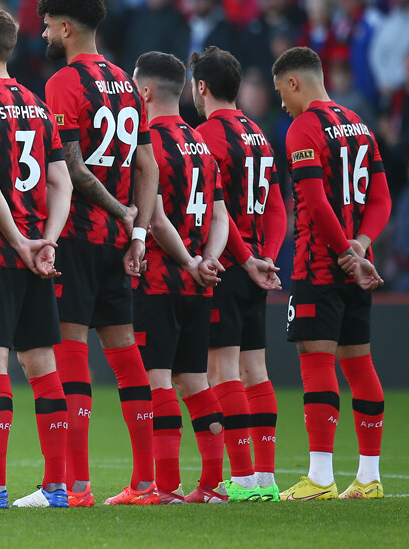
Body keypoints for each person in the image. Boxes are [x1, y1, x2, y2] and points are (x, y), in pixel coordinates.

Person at [39, 0, 160, 507]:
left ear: (66, 28)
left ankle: (77, 485)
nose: (44, 35)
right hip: (117, 242)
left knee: (70, 354)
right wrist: (137, 231)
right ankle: (145, 482)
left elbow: (72, 167)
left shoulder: (64, 82)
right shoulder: (126, 84)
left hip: (77, 234)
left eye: (48, 26)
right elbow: (147, 165)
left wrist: (120, 212)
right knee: (125, 355)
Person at [0, 11, 73, 509]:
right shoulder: (37, 104)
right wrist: (47, 241)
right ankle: (56, 487)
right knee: (42, 365)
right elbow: (62, 182)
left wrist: (20, 242)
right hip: (37, 253)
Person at [271, 46, 391, 501]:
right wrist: (361, 246)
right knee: (360, 364)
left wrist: (344, 251)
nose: (283, 103)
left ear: (295, 82)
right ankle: (369, 478)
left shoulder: (303, 128)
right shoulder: (359, 125)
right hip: (358, 266)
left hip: (321, 265)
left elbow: (317, 202)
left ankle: (320, 477)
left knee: (315, 359)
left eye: (282, 92)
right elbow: (381, 198)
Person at [131, 51, 231, 504]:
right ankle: (212, 485)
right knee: (194, 381)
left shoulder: (148, 141)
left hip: (160, 277)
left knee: (157, 381)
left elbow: (154, 218)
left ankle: (165, 487)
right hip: (198, 283)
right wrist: (208, 260)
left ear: (146, 92)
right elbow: (220, 214)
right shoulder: (200, 142)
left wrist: (190, 261)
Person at [191, 46, 288, 502]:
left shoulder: (204, 136)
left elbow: (217, 211)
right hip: (255, 267)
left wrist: (246, 258)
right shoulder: (258, 135)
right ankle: (265, 478)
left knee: (222, 369)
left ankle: (244, 478)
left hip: (228, 265)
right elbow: (277, 207)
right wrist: (266, 257)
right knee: (256, 369)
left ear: (202, 87)